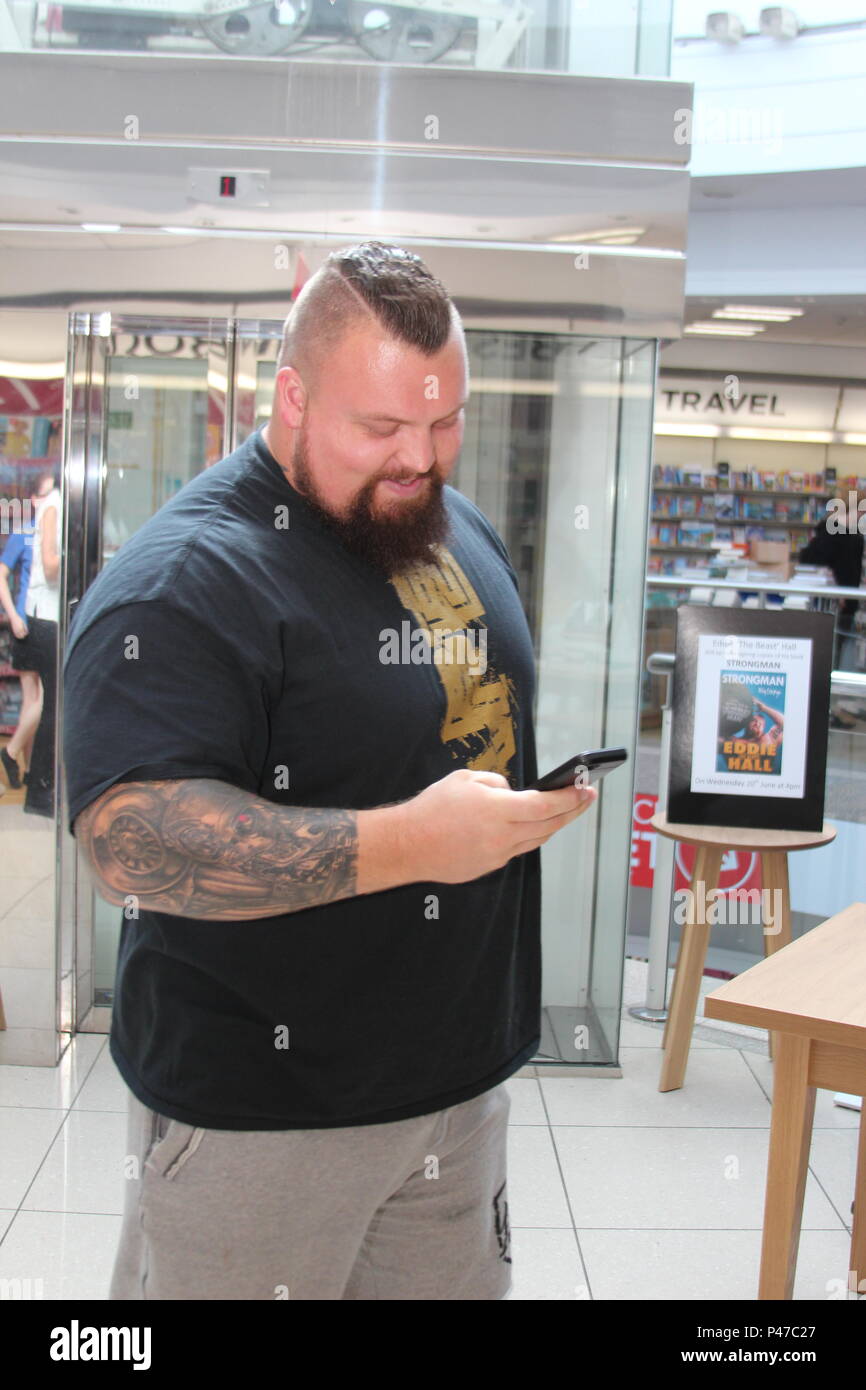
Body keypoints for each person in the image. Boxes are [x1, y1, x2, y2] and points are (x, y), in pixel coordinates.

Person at [62, 241, 597, 1302]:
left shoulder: (441, 525)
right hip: (261, 1119)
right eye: (381, 427)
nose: (420, 457)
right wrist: (408, 842)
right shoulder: (184, 582)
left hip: (454, 1094)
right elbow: (131, 840)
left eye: (444, 422)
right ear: (293, 397)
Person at [0, 470, 57, 791]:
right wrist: (12, 615)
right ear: (35, 499)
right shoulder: (23, 536)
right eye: (47, 494)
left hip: (42, 622)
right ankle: (13, 756)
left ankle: (24, 768)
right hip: (28, 623)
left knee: (34, 701)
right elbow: (2, 577)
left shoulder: (53, 534)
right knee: (38, 698)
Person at [798, 486, 865, 728]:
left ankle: (829, 709)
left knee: (832, 658)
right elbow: (839, 567)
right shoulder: (843, 534)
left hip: (837, 605)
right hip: (838, 606)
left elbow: (808, 559)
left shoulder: (833, 530)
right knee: (832, 659)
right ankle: (826, 711)